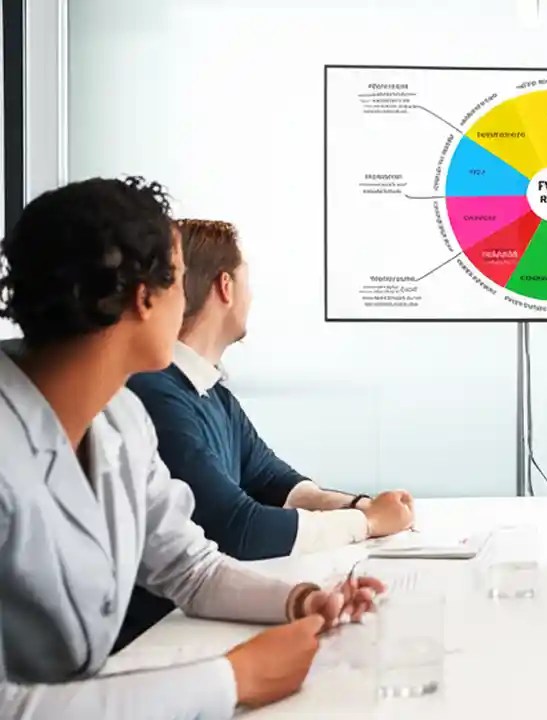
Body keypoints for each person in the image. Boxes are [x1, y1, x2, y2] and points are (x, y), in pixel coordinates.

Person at [0, 177, 383, 718]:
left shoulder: (122, 417)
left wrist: (299, 600)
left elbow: (190, 568)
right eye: (180, 284)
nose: (188, 304)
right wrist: (235, 678)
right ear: (143, 298)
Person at [116, 218, 414, 650]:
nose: (252, 297)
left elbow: (277, 483)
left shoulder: (209, 391)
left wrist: (362, 505)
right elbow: (238, 530)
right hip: (156, 639)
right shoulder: (154, 392)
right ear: (225, 287)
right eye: (246, 281)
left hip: (192, 626)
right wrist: (367, 522)